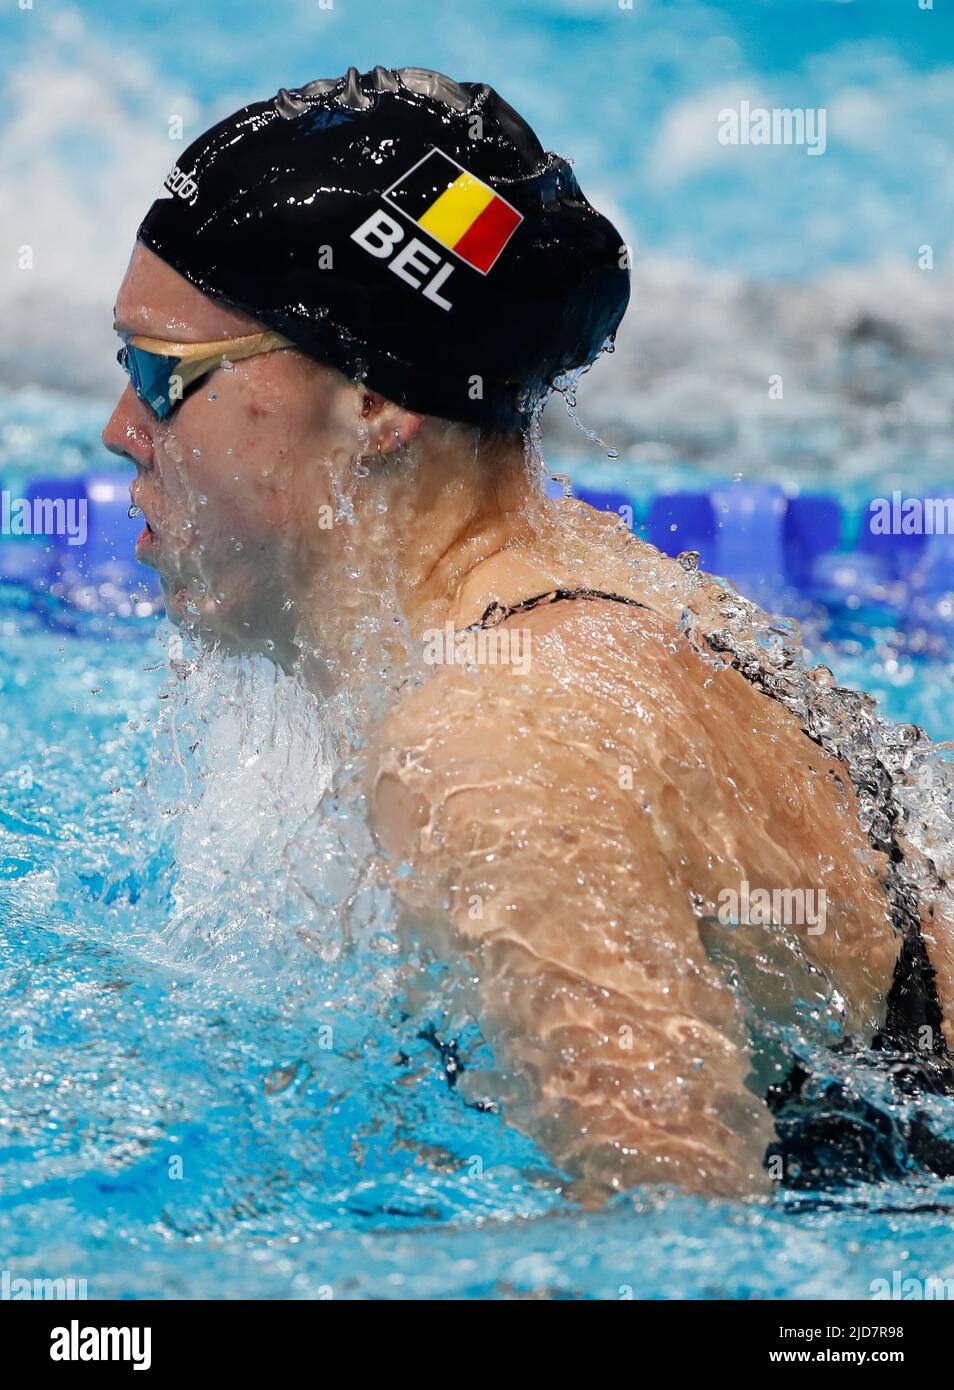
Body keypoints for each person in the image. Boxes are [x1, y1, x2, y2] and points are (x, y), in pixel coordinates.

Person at [104, 66, 953, 1199]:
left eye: (166, 378)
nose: (120, 432)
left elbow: (677, 1227)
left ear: (371, 400)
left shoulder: (494, 745)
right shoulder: (570, 585)